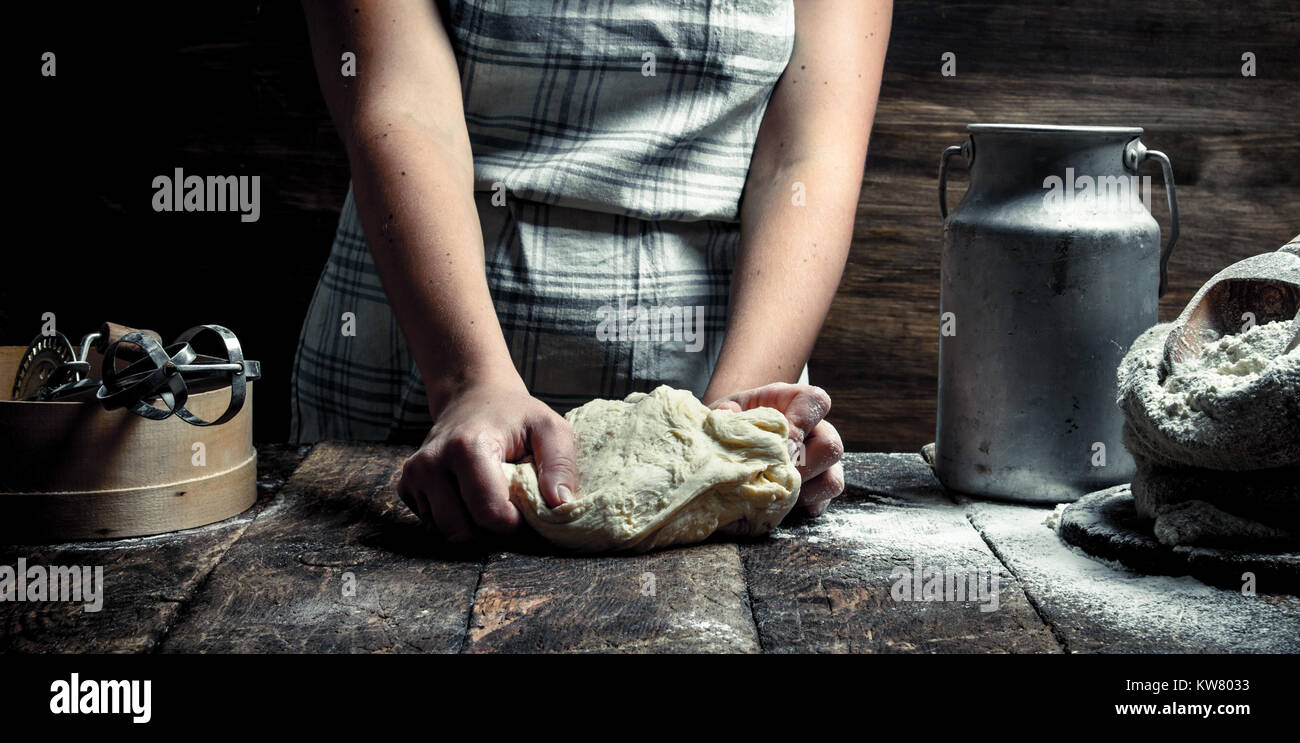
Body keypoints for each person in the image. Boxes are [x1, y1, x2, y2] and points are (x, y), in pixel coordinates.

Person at [293, 0, 891, 543]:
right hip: (425, 368)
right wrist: (466, 380)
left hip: (723, 368)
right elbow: (403, 106)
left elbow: (810, 153)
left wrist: (734, 428)